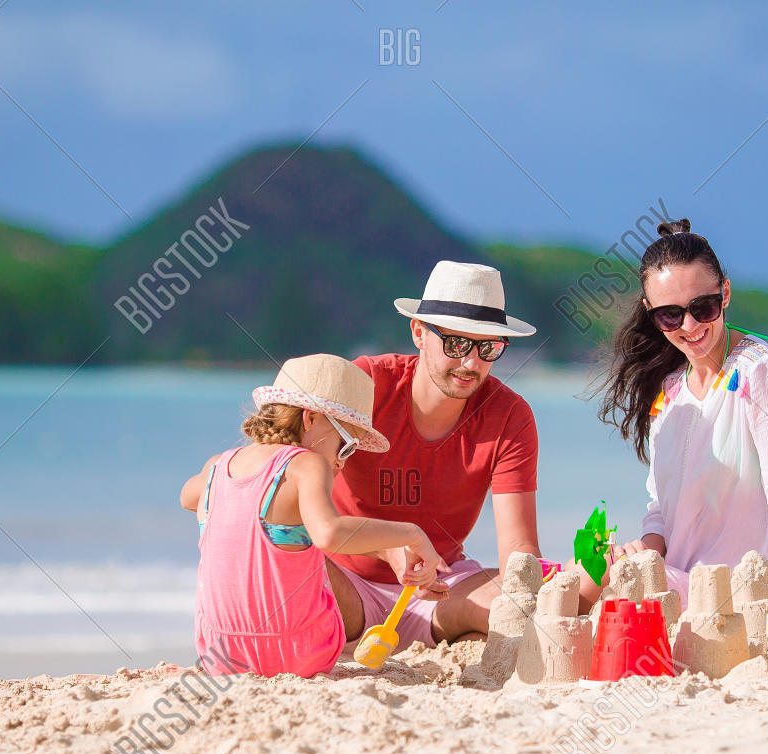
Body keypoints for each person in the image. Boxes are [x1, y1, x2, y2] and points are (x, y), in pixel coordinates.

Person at [180, 354, 446, 677]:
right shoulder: (307, 464)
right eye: (345, 446)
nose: (342, 462)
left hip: (218, 654)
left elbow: (186, 497)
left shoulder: (216, 468)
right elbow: (329, 534)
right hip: (300, 651)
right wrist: (412, 534)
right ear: (309, 419)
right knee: (312, 551)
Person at [596, 218, 768, 605]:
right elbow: (659, 508)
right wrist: (645, 551)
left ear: (725, 294)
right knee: (591, 568)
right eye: (670, 315)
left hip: (740, 591)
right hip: (673, 582)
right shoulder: (669, 391)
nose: (690, 325)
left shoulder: (759, 370)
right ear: (651, 312)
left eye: (703, 306)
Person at [327, 260, 542, 649]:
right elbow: (293, 500)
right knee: (281, 561)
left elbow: (519, 549)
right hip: (345, 582)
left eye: (488, 347)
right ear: (418, 333)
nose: (471, 363)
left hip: (442, 591)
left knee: (522, 604)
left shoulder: (509, 415)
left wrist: (542, 592)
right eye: (456, 343)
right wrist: (386, 547)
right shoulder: (365, 384)